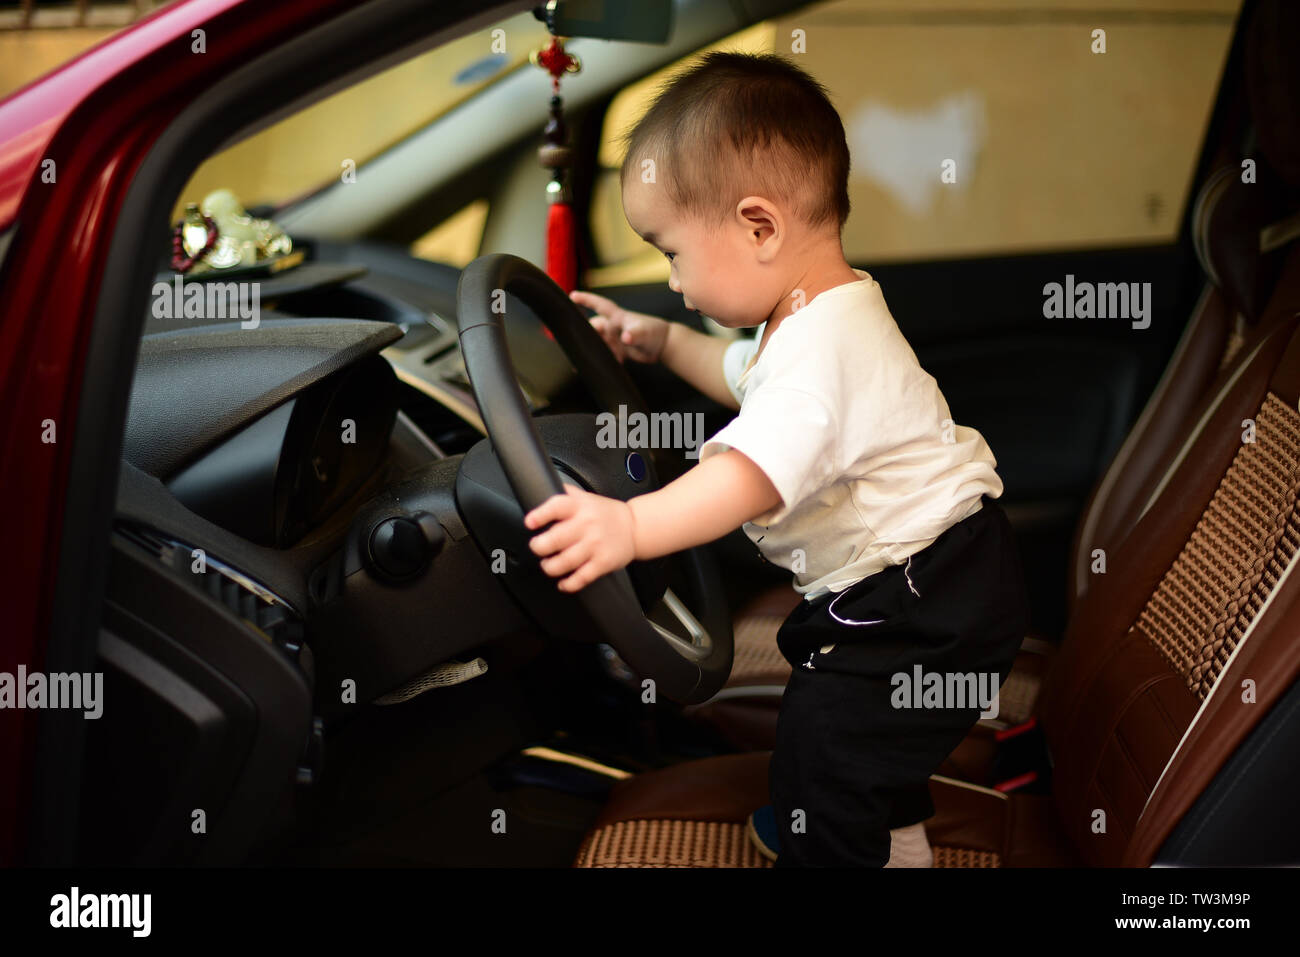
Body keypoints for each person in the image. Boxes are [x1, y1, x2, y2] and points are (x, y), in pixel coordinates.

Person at [522, 51, 1030, 867]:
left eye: (672, 254)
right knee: (860, 734)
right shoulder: (812, 318)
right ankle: (886, 837)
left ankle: (838, 843)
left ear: (760, 226)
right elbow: (739, 378)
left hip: (920, 595)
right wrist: (655, 340)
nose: (675, 282)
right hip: (934, 580)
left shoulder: (825, 349)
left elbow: (743, 475)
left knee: (833, 735)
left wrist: (627, 524)